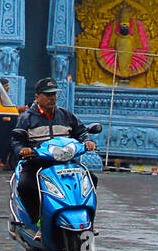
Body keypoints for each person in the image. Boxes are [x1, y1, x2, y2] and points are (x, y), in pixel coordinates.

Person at [11, 77, 96, 234]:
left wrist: (88, 141)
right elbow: (17, 141)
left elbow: (82, 131)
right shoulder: (27, 119)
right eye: (47, 95)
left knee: (91, 179)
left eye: (54, 95)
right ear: (37, 97)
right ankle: (37, 221)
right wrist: (23, 150)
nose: (52, 98)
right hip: (37, 164)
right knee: (25, 186)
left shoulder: (66, 115)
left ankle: (89, 222)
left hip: (66, 162)